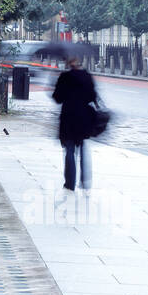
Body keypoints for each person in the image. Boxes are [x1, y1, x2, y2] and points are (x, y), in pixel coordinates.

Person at [51, 54, 99, 192]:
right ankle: (85, 181)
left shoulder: (64, 77)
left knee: (70, 150)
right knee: (83, 147)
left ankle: (70, 183)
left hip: (68, 116)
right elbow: (92, 96)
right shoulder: (87, 76)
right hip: (84, 117)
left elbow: (57, 98)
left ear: (68, 63)